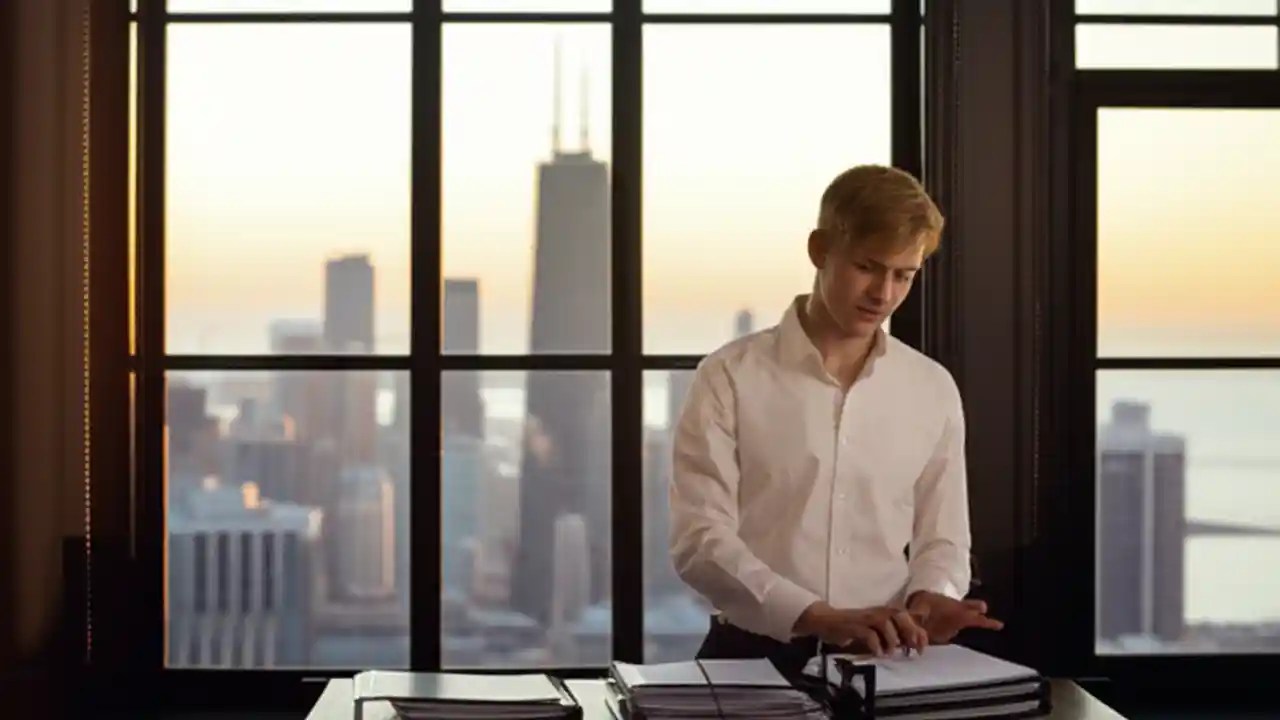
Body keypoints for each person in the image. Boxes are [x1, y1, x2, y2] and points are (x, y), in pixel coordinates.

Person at [668, 165, 1003, 677]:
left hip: (885, 662)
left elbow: (944, 537)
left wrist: (933, 594)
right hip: (750, 660)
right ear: (820, 250)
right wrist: (816, 617)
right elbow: (700, 542)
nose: (883, 294)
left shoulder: (931, 388)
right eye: (867, 267)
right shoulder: (729, 376)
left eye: (903, 275)